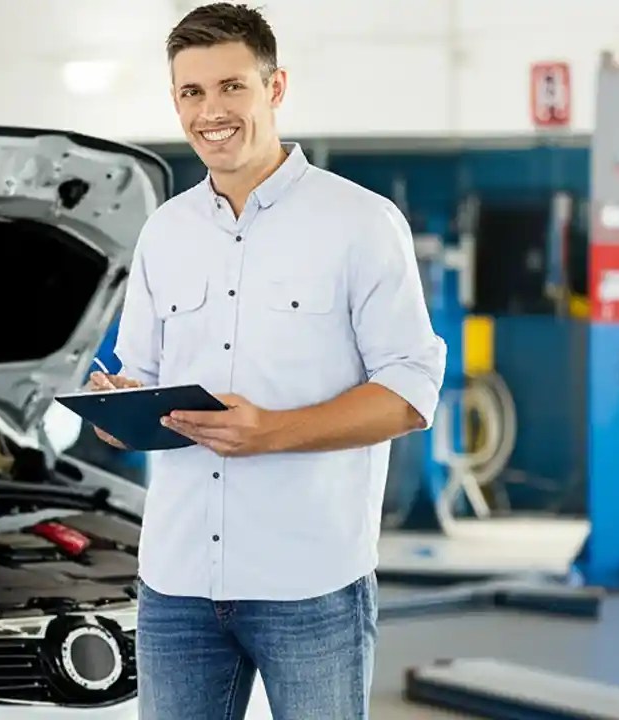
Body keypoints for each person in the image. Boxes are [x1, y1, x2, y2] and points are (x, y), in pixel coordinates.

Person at [86, 3, 446, 718]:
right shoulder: (165, 232)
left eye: (231, 87)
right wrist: (118, 405)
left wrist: (272, 431)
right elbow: (146, 381)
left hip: (308, 581)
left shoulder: (360, 224)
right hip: (178, 581)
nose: (210, 112)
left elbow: (410, 391)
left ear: (275, 88)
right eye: (192, 93)